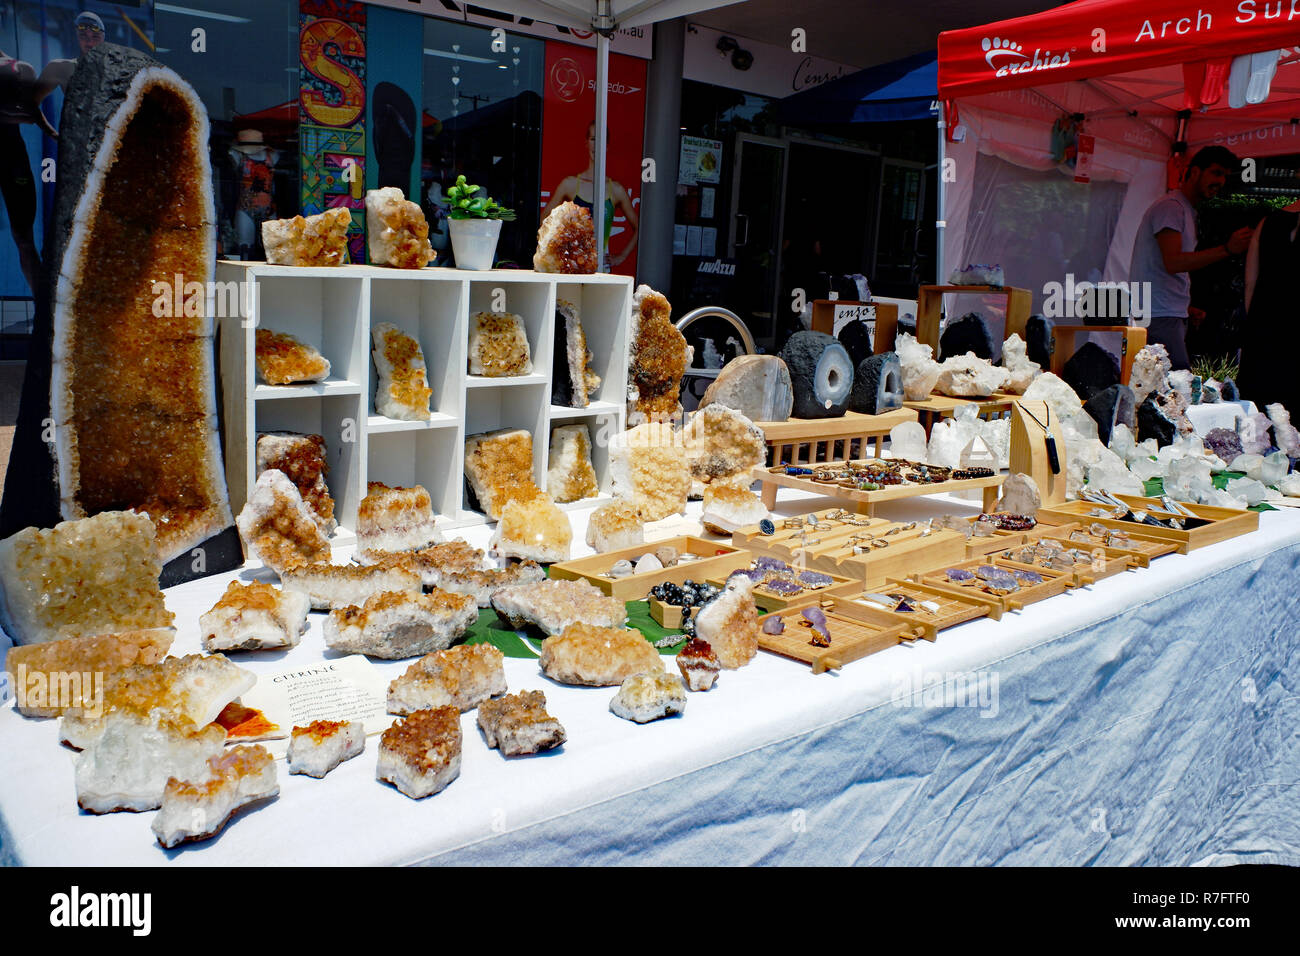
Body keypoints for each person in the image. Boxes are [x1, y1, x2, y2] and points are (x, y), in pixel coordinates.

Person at [1128, 145, 1254, 370]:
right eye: (1216, 173)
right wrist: (1228, 249)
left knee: (1168, 387)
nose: (1221, 181)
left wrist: (1184, 307)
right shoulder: (1171, 207)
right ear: (1194, 172)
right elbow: (1173, 262)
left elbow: (1162, 267)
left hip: (1164, 312)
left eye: (1225, 175)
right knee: (1177, 384)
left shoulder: (1182, 208)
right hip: (1159, 314)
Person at [541, 121, 639, 270]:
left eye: (602, 141)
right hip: (573, 268)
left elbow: (639, 227)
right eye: (593, 139)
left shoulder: (616, 190)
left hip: (601, 269)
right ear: (586, 143)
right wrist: (560, 248)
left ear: (607, 146)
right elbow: (544, 219)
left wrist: (622, 256)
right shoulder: (570, 184)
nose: (597, 145)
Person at [1239, 185, 1300, 414]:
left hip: (1264, 332)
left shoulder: (1267, 223)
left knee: (1259, 419)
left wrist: (1255, 324)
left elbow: (1250, 285)